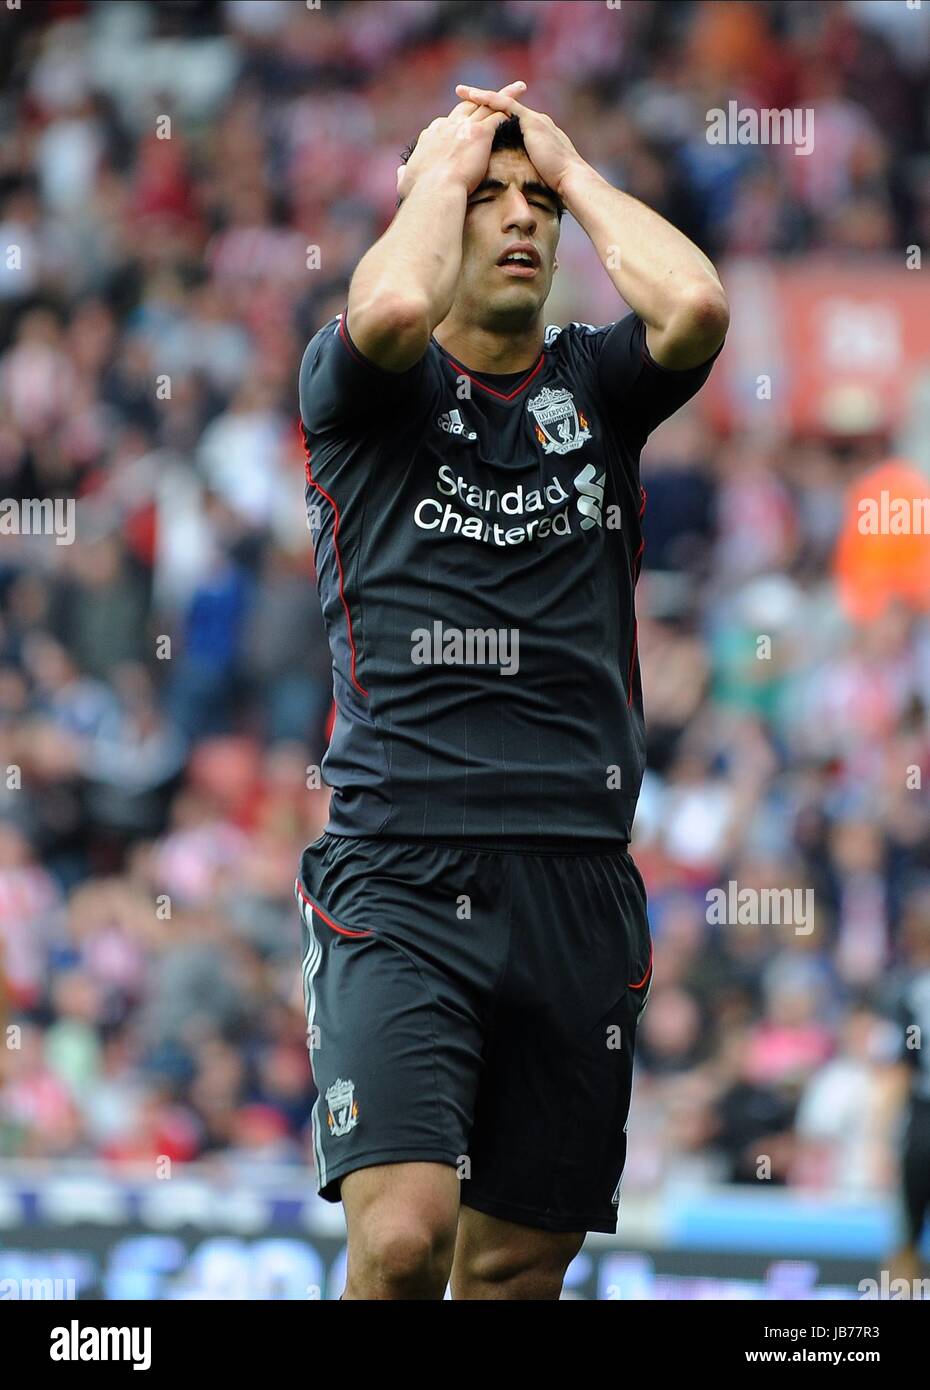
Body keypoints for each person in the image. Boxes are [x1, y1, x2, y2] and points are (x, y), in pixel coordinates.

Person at [296, 78, 728, 1300]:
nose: (521, 221)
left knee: (516, 1271)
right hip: (402, 870)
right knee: (399, 1241)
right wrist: (441, 168)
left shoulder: (597, 388)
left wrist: (574, 170)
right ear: (434, 213)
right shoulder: (365, 392)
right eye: (491, 202)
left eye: (537, 205)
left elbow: (695, 302)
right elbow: (387, 301)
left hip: (578, 878)